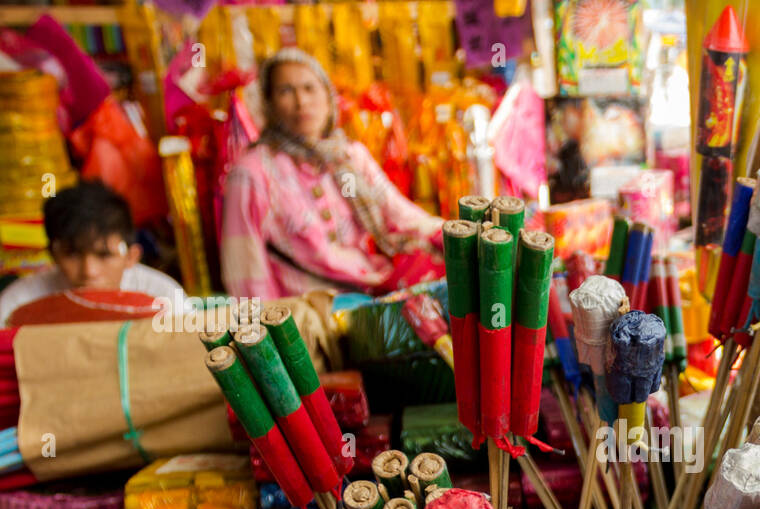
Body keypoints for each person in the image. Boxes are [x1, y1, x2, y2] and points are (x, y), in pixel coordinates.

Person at [221, 48, 444, 302]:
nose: (301, 101)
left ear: (328, 100)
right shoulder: (253, 172)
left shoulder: (349, 156)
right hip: (307, 315)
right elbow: (246, 273)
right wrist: (273, 332)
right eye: (286, 91)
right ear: (269, 105)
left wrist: (454, 235)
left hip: (370, 294)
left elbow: (401, 215)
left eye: (309, 88)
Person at [0, 181, 182, 326]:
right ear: (53, 256)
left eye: (104, 255)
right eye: (72, 254)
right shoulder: (16, 304)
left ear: (131, 256)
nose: (89, 271)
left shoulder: (166, 298)